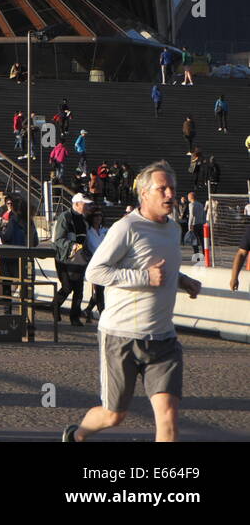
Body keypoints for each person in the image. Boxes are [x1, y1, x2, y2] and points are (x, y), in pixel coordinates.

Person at [63, 161, 201, 443]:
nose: (169, 194)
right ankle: (77, 435)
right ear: (144, 194)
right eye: (162, 188)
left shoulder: (174, 229)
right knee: (114, 414)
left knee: (168, 415)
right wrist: (143, 277)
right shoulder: (126, 228)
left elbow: (160, 267)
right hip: (121, 336)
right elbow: (96, 271)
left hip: (163, 338)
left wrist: (182, 279)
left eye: (172, 188)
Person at [51, 193, 91, 325]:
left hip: (79, 258)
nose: (88, 207)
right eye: (85, 204)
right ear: (77, 204)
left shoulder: (84, 220)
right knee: (67, 287)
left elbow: (85, 240)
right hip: (64, 258)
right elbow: (59, 239)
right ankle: (55, 307)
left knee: (79, 289)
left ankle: (75, 317)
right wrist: (72, 245)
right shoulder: (65, 217)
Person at [83, 208, 108, 320]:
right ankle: (102, 313)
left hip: (106, 262)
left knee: (100, 289)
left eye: (100, 216)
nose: (98, 218)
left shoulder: (105, 231)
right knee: (98, 289)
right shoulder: (88, 232)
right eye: (96, 216)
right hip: (94, 263)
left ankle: (88, 310)